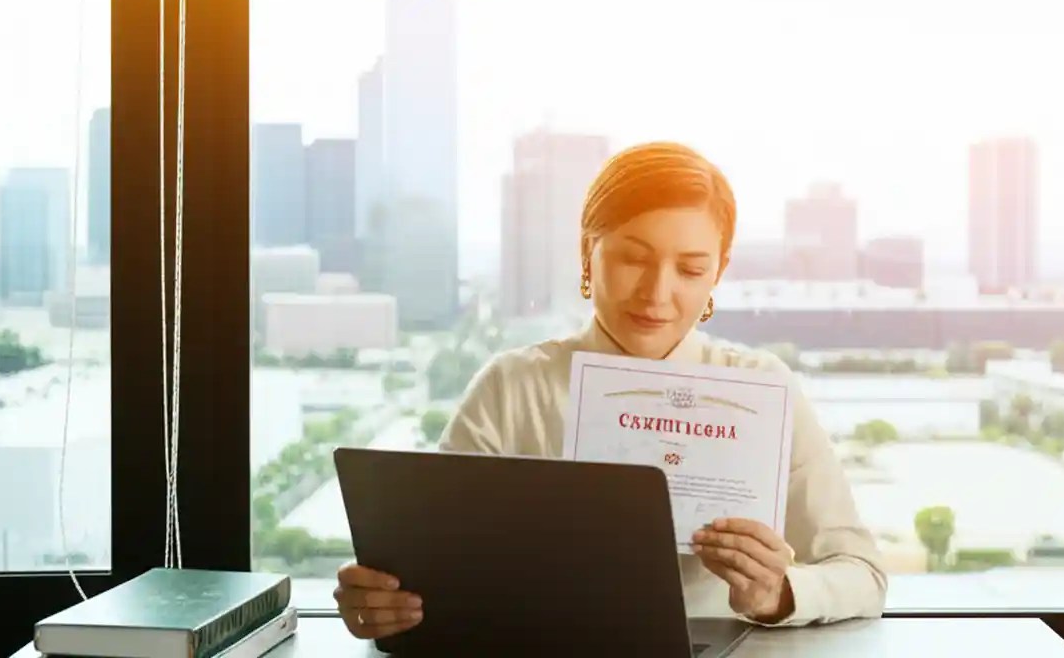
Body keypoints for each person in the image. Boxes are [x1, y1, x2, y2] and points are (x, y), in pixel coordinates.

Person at [333, 141, 888, 640]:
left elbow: (863, 574)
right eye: (633, 259)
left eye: (691, 270)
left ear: (718, 273)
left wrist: (779, 593)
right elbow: (426, 570)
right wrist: (381, 599)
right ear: (587, 254)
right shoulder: (513, 387)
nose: (657, 293)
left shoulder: (761, 388)